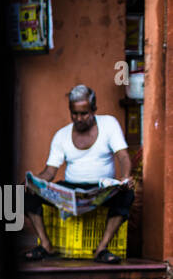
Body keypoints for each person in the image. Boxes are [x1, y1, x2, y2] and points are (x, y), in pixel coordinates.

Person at [22, 84, 134, 265]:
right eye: (74, 114)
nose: (79, 118)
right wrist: (33, 182)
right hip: (71, 188)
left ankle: (102, 249)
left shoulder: (109, 124)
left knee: (126, 194)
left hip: (101, 188)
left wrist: (126, 177)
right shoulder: (61, 136)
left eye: (84, 114)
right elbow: (50, 171)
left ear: (94, 110)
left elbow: (123, 156)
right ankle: (46, 245)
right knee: (26, 194)